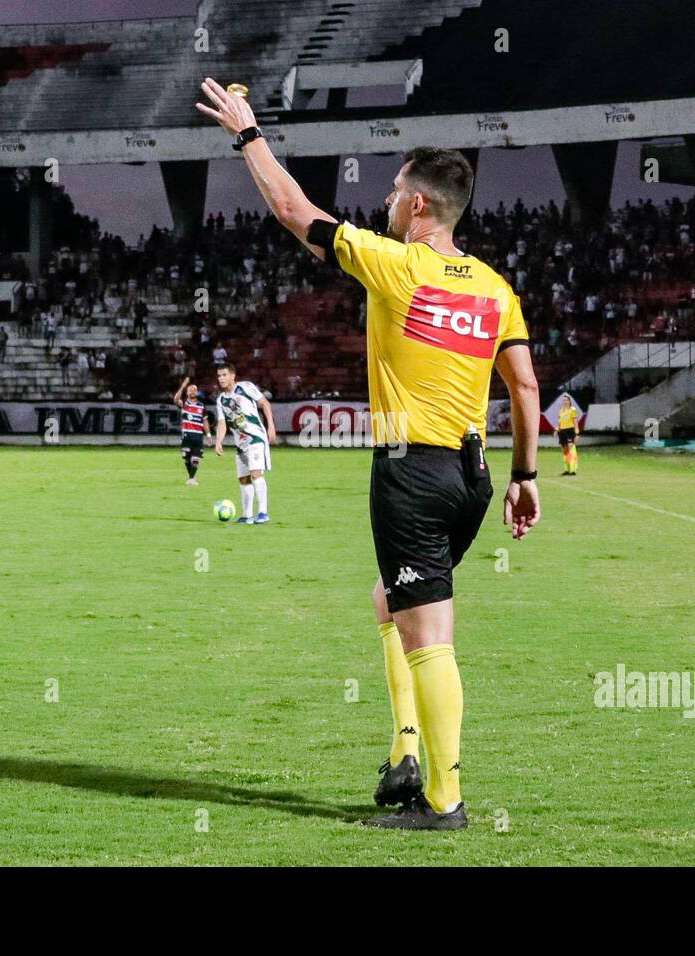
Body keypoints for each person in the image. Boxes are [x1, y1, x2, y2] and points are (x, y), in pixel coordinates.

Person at [197, 78, 541, 830]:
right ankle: (403, 752)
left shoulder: (397, 263)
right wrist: (525, 477)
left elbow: (295, 211)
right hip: (475, 473)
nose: (385, 201)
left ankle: (443, 802)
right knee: (394, 602)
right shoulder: (494, 288)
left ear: (419, 204)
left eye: (393, 191)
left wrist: (248, 135)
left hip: (409, 470)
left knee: (429, 634)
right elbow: (524, 387)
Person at [213, 363, 277, 524]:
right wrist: (218, 441)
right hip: (240, 443)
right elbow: (222, 423)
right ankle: (247, 515)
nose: (221, 378)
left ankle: (263, 512)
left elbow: (265, 403)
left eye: (224, 375)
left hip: (255, 438)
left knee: (256, 473)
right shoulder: (221, 400)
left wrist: (271, 426)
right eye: (219, 375)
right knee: (243, 479)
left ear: (232, 376)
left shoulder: (245, 387)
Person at [173, 377, 207, 485]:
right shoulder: (184, 404)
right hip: (186, 436)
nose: (192, 391)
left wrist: (209, 435)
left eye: (194, 389)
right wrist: (183, 386)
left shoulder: (202, 406)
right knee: (187, 459)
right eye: (190, 389)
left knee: (195, 458)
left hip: (198, 436)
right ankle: (192, 477)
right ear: (187, 392)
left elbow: (205, 421)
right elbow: (175, 399)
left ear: (197, 392)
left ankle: (192, 478)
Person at [557, 395, 580, 475]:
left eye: (567, 400)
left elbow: (575, 422)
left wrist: (577, 433)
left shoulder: (572, 410)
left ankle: (573, 469)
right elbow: (559, 421)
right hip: (562, 431)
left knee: (571, 450)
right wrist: (557, 429)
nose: (565, 401)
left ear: (570, 401)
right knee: (565, 452)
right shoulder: (561, 411)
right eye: (564, 400)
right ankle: (567, 469)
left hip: (570, 431)